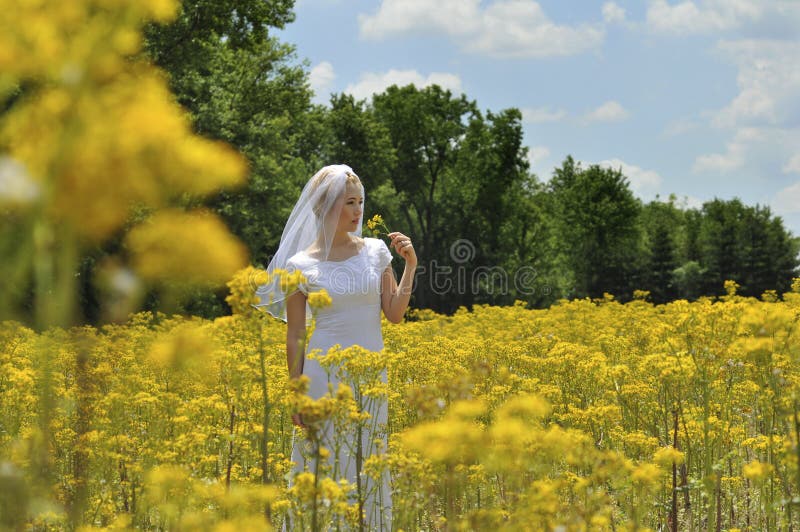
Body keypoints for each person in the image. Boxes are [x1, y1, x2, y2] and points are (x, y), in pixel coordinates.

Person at [253, 164, 418, 530]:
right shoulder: (299, 265)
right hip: (320, 378)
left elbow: (393, 314)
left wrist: (411, 266)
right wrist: (296, 391)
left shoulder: (376, 252)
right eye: (349, 202)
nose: (358, 211)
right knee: (322, 465)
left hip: (370, 375)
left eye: (360, 202)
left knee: (368, 463)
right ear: (325, 207)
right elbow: (295, 333)